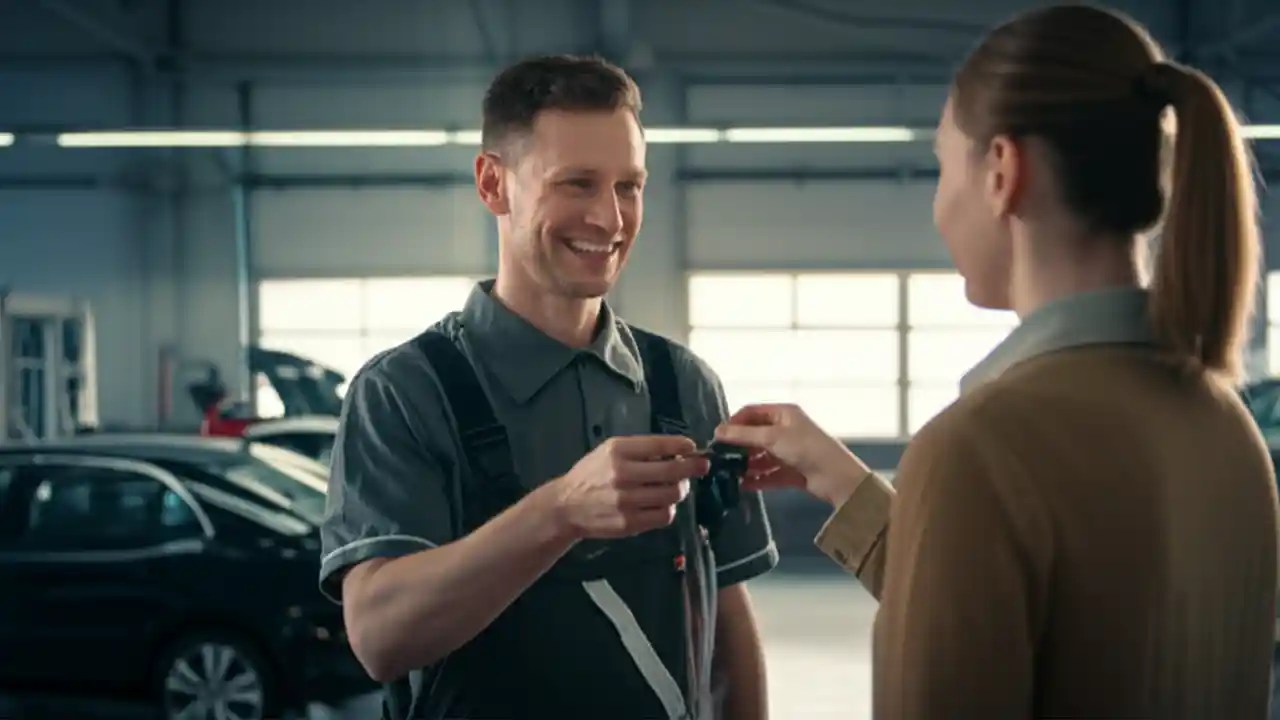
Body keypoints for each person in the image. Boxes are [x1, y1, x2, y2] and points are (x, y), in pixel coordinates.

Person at [715, 4, 1278, 719]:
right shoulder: (1223, 427)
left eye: (943, 164)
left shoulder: (981, 446)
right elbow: (1058, 628)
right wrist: (845, 484)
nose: (938, 206)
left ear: (1002, 172)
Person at [317, 54, 778, 720]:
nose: (611, 220)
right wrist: (558, 512)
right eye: (577, 184)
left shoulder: (684, 385)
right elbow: (380, 639)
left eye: (629, 186)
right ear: (493, 184)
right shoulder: (404, 393)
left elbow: (726, 613)